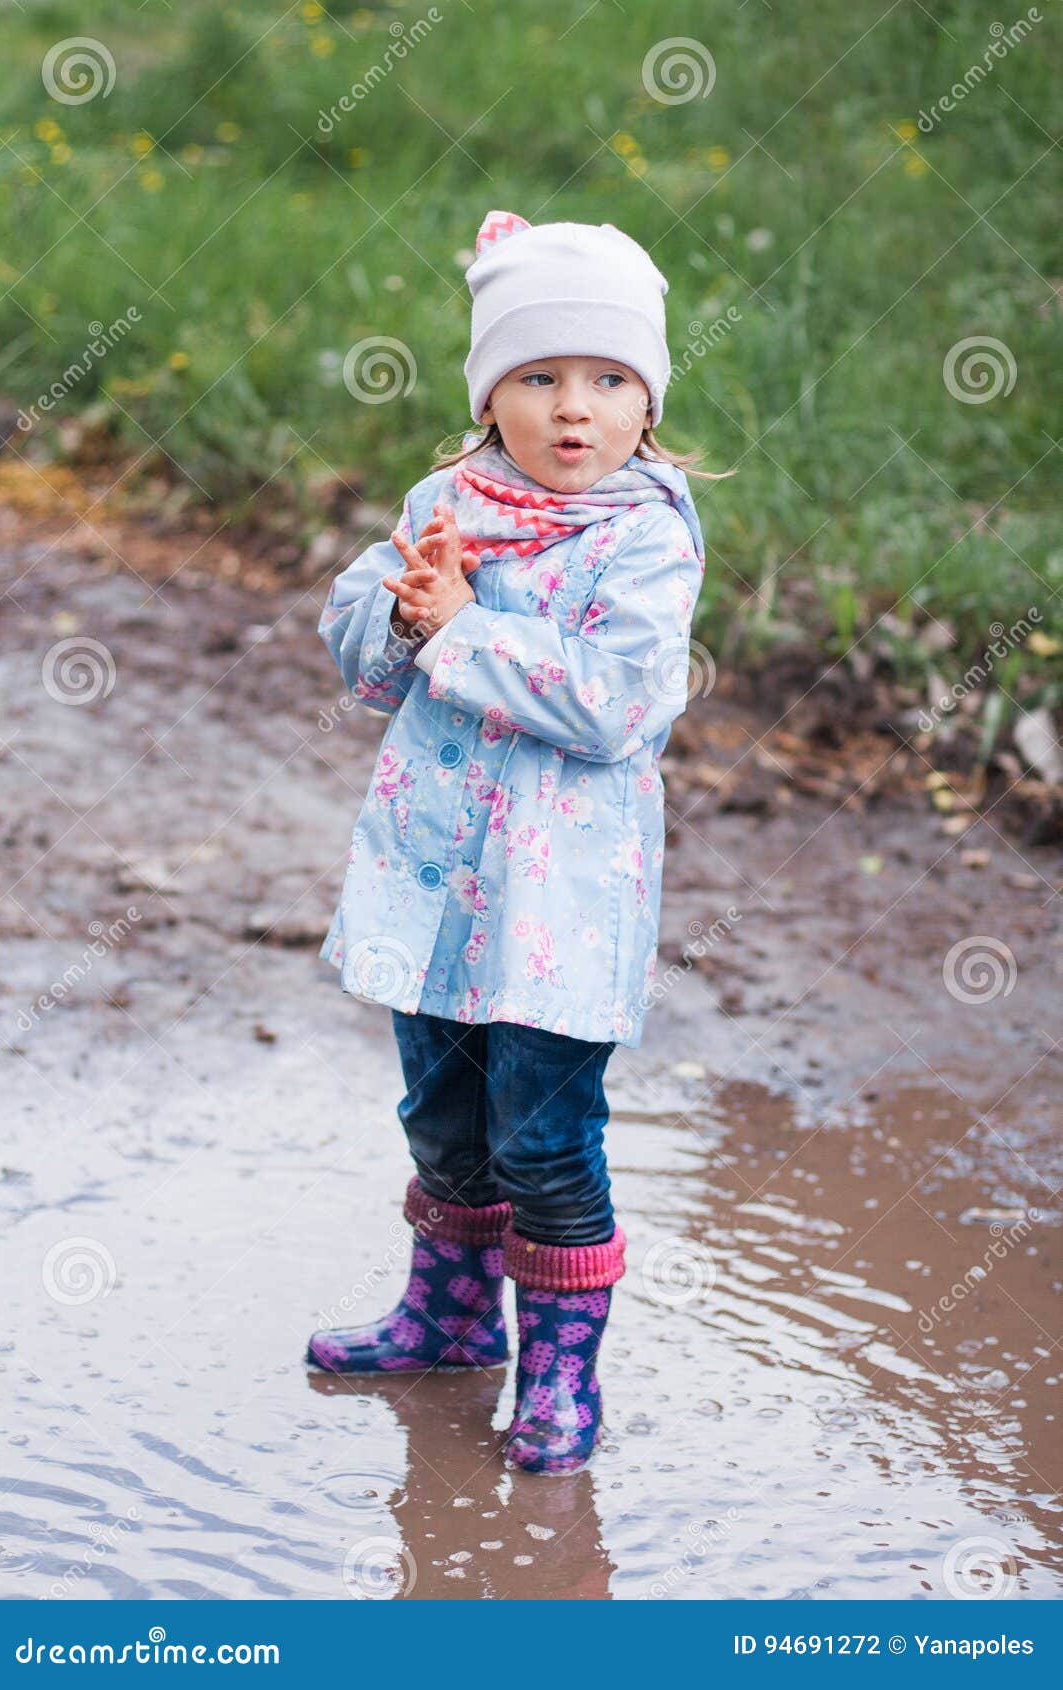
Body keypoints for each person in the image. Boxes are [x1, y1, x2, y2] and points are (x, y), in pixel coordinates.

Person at [306, 209, 732, 1475]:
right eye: (537, 375)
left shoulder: (645, 535)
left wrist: (456, 632)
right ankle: (446, 1318)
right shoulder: (445, 502)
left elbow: (610, 707)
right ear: (488, 391)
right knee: (441, 1117)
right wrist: (397, 610)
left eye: (608, 380)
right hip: (432, 884)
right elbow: (365, 661)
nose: (571, 408)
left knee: (544, 1139)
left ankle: (556, 1371)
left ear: (646, 404)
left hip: (558, 912)